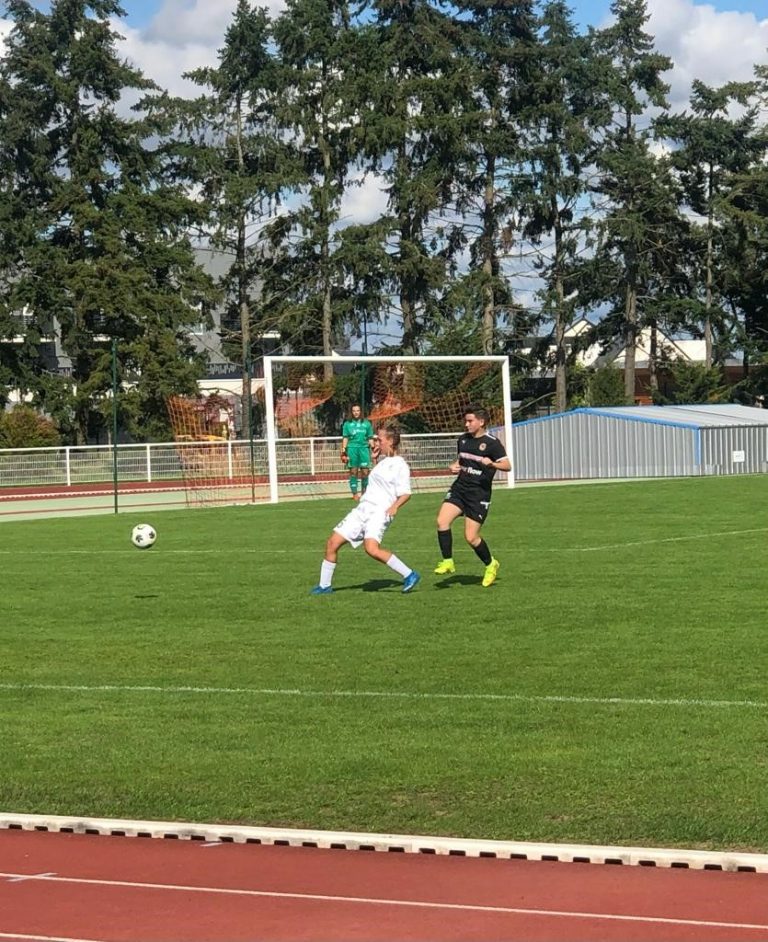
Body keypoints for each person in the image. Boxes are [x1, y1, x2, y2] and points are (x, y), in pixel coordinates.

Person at [311, 424, 421, 595]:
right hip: (363, 509)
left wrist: (394, 507)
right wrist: (375, 459)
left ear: (391, 441)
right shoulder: (383, 461)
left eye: (380, 439)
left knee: (371, 549)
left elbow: (406, 493)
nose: (376, 442)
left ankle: (410, 574)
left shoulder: (400, 465)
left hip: (380, 512)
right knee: (332, 543)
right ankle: (324, 586)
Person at [434, 406, 511, 588]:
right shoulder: (462, 440)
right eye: (466, 421)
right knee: (442, 521)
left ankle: (491, 564)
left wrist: (492, 463)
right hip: (460, 489)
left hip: (478, 494)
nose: (466, 424)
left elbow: (507, 466)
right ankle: (448, 561)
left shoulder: (492, 443)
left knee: (471, 537)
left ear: (481, 422)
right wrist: (453, 466)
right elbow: (460, 461)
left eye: (470, 421)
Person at [341, 403, 375, 501]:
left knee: (365, 472)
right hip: (352, 449)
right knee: (353, 472)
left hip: (364, 449)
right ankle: (355, 494)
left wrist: (373, 448)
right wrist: (344, 451)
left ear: (360, 412)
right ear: (351, 412)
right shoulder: (347, 424)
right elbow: (345, 438)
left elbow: (370, 438)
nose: (356, 413)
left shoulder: (367, 423)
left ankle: (364, 492)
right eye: (354, 411)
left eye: (358, 411)